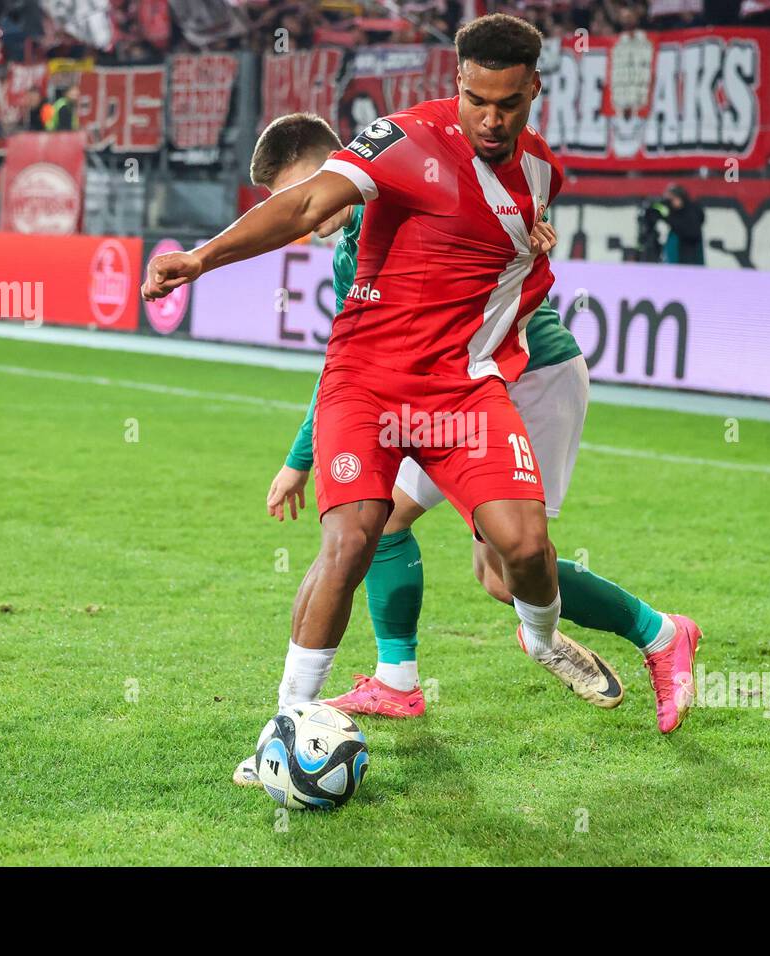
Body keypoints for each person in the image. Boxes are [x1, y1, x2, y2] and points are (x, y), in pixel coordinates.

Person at [141, 14, 703, 781]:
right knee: (365, 533)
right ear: (456, 86)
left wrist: (529, 247)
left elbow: (508, 268)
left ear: (534, 91)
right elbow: (306, 215)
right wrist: (201, 259)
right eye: (476, 100)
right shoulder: (390, 160)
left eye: (507, 102)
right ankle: (358, 695)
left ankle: (639, 634)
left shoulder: (533, 174)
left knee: (512, 562)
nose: (490, 117)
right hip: (391, 389)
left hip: (518, 376)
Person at [253, 112, 703, 741]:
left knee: (500, 572)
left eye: (298, 191)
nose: (301, 214)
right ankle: (397, 680)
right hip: (440, 391)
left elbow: (503, 206)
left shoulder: (409, 187)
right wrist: (301, 459)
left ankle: (660, 632)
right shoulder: (349, 251)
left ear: (339, 161)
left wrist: (530, 230)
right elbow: (351, 364)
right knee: (378, 522)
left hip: (531, 377)